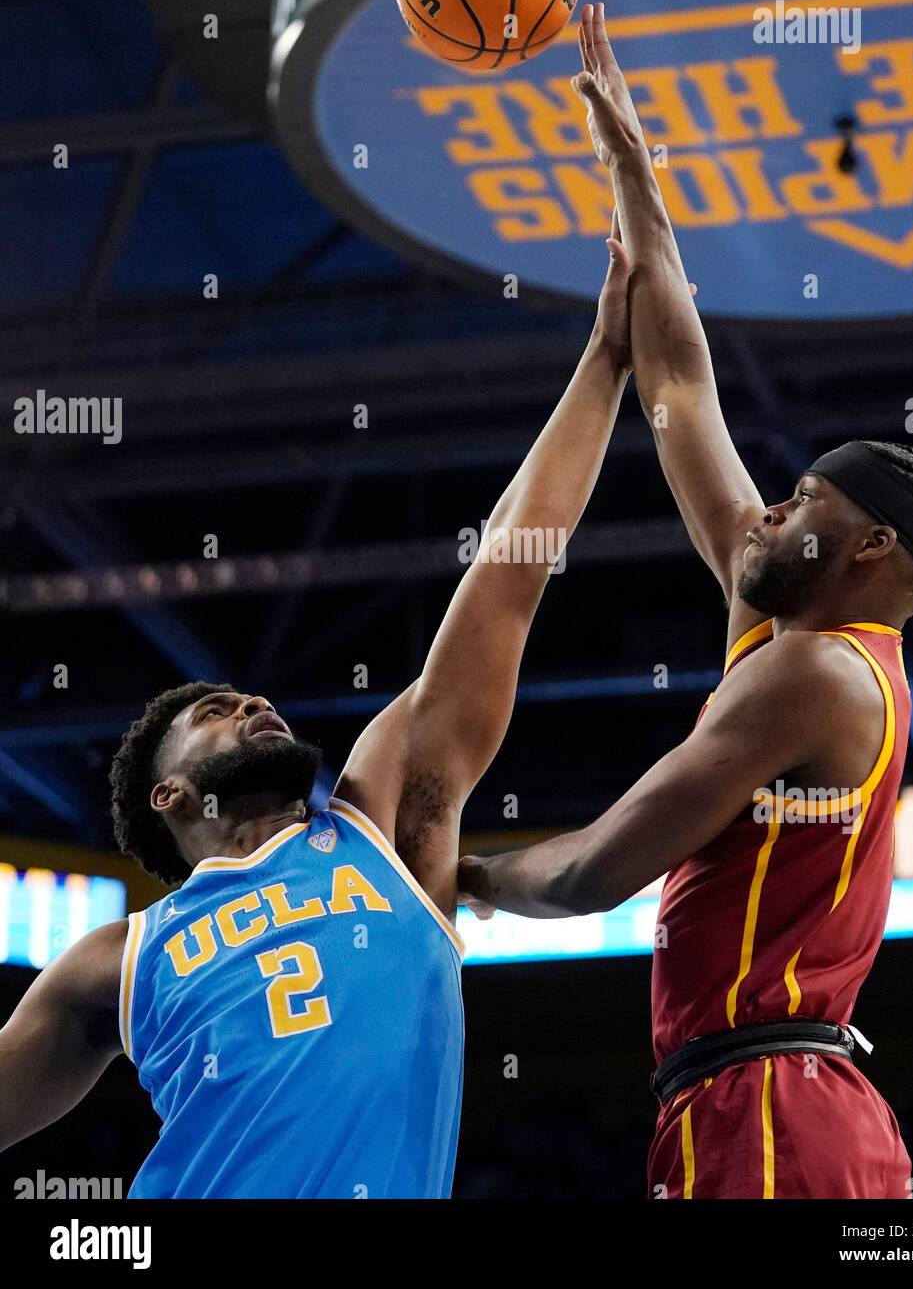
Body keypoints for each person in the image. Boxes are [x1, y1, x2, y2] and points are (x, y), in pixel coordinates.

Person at [458, 3, 913, 1199]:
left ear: (871, 547)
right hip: (793, 1106)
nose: (768, 516)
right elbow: (681, 385)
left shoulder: (813, 677)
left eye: (799, 505)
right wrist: (634, 174)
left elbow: (596, 871)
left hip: (768, 1112)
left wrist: (462, 874)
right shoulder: (805, 641)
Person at [0, 230, 635, 1199]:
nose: (253, 700)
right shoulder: (117, 957)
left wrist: (604, 360)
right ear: (171, 792)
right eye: (213, 710)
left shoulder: (381, 829)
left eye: (248, 696)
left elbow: (505, 578)